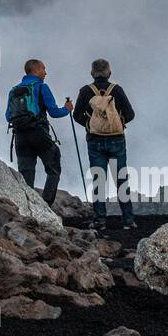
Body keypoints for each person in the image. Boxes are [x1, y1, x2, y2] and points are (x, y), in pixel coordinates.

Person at [72, 58, 137, 232]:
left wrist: (89, 123)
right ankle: (128, 220)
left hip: (95, 140)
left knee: (99, 179)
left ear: (92, 73)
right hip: (116, 138)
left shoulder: (86, 91)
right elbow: (130, 114)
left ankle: (100, 220)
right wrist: (119, 121)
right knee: (121, 179)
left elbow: (77, 115)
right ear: (109, 73)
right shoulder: (117, 90)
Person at [6, 59, 71, 205]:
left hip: (20, 137)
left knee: (26, 174)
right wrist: (67, 108)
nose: (45, 72)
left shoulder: (14, 90)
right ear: (35, 70)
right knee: (53, 166)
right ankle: (45, 205)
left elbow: (8, 116)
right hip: (38, 133)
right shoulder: (41, 87)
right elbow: (54, 112)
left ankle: (27, 208)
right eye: (43, 69)